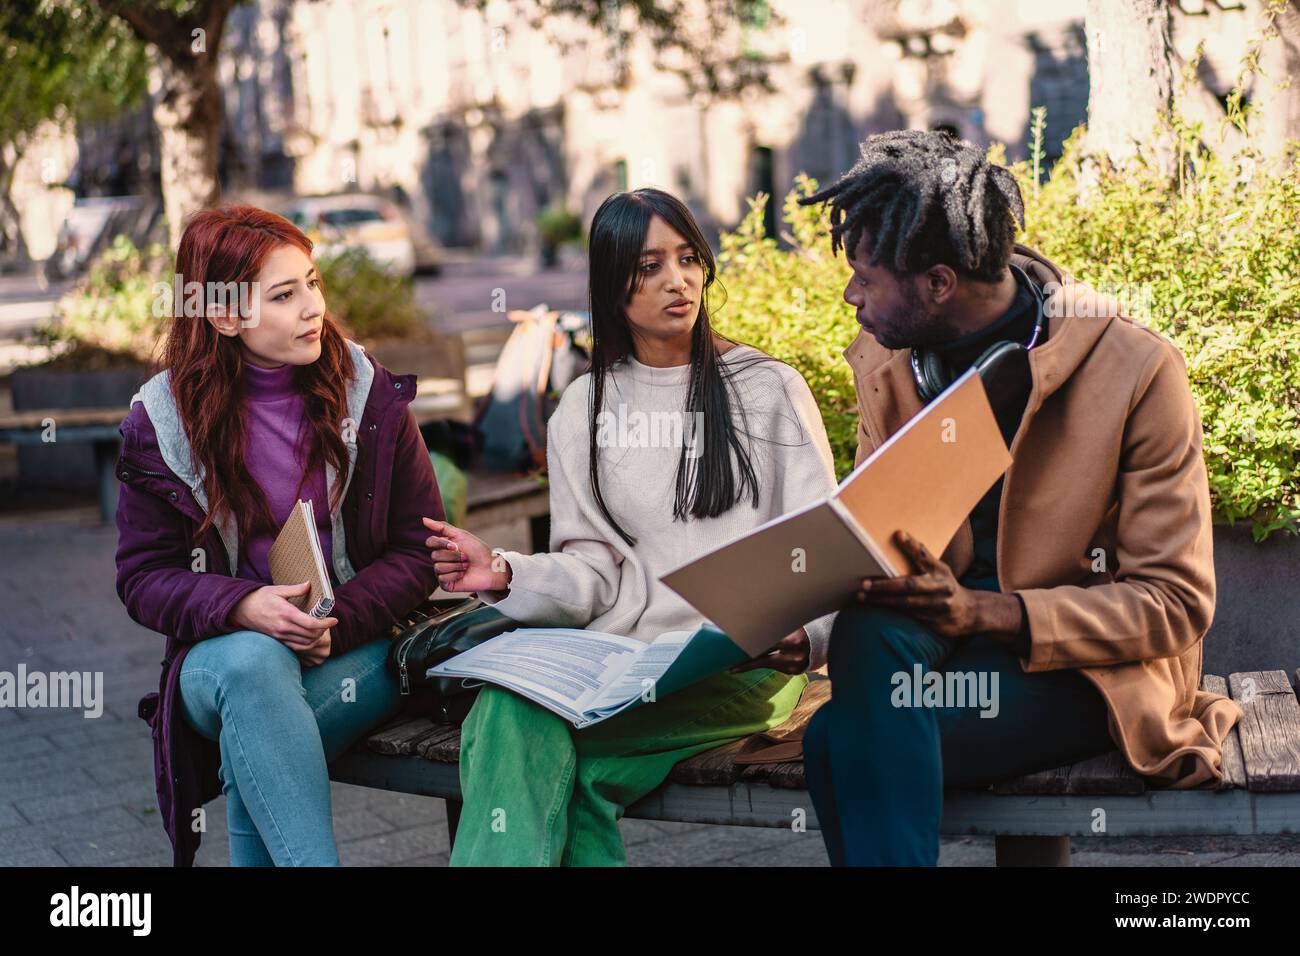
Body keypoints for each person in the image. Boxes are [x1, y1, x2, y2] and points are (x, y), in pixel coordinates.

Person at [796, 129, 1243, 866]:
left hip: (1089, 669)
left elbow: (1176, 602)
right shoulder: (890, 361)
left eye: (865, 278)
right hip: (944, 643)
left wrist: (994, 611)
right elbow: (888, 534)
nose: (851, 297)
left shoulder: (1135, 371)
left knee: (835, 740)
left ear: (939, 283)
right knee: (866, 636)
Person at [423, 187, 836, 866]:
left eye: (687, 259)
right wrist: (503, 572)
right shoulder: (584, 406)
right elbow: (593, 573)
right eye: (649, 267)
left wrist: (808, 636)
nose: (677, 281)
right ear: (614, 289)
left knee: (526, 750)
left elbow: (820, 549)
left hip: (735, 670)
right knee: (511, 713)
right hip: (617, 667)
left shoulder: (767, 389)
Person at [115, 204, 443, 866]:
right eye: (285, 295)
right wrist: (241, 607)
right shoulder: (161, 422)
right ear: (226, 315)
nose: (312, 308)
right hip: (221, 663)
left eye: (313, 283)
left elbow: (418, 550)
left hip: (349, 653)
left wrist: (332, 621)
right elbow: (143, 578)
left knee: (256, 748)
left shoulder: (365, 393)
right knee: (254, 664)